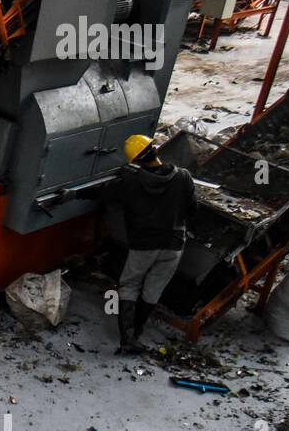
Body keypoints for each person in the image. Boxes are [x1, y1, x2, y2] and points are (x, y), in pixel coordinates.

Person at [67, 134, 197, 352]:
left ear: (135, 161)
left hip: (144, 245)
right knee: (154, 289)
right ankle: (137, 332)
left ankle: (127, 339)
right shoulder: (183, 177)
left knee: (129, 285)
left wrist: (73, 194)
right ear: (155, 150)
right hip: (173, 245)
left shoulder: (130, 183)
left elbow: (102, 193)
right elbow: (193, 210)